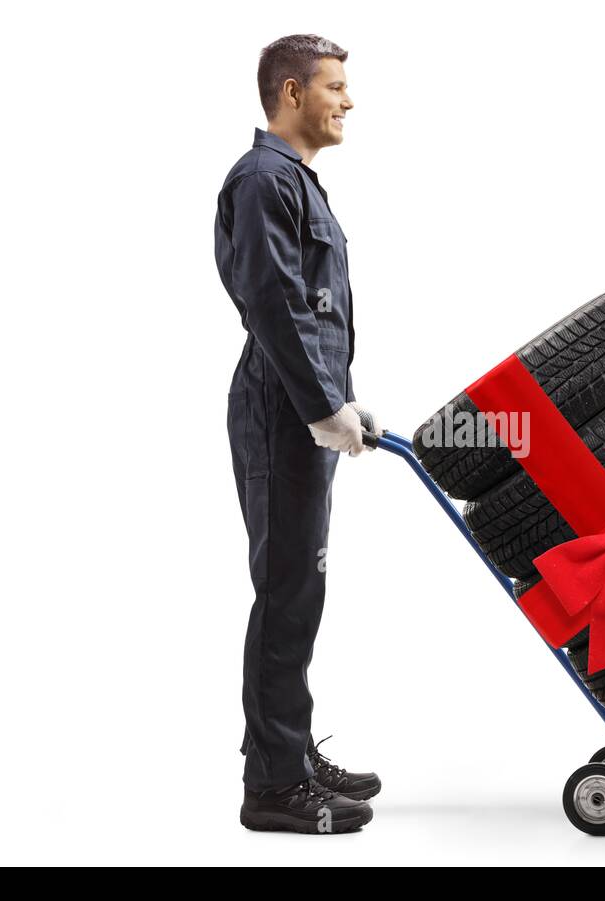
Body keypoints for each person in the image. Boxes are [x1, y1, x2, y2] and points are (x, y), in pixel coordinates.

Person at [214, 34, 382, 835]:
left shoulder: (295, 183)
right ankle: (273, 788)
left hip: (303, 411)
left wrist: (344, 402)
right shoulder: (260, 182)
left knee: (298, 592)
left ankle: (285, 753)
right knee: (286, 594)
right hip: (282, 414)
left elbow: (313, 312)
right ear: (291, 92)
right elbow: (274, 302)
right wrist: (322, 407)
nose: (347, 101)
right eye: (335, 87)